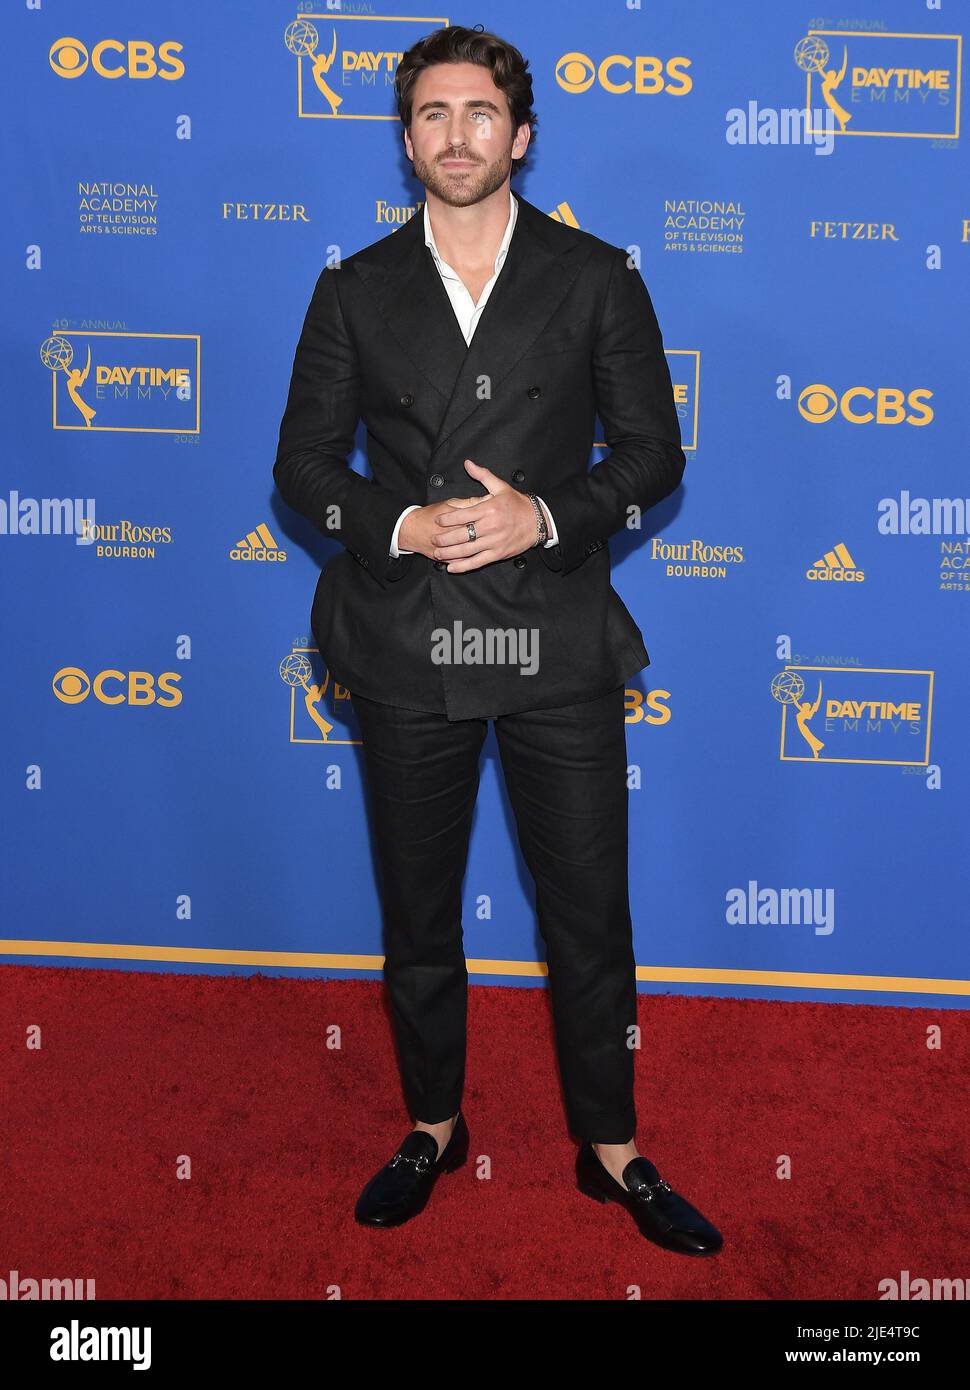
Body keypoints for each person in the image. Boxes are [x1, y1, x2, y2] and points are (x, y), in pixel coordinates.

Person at [273, 25, 722, 1256]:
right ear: (405, 137)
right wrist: (404, 521)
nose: (456, 134)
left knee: (588, 909)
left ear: (519, 137)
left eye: (479, 113)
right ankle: (431, 1124)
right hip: (408, 640)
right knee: (418, 910)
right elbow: (301, 467)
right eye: (431, 114)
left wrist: (545, 511)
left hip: (551, 640)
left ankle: (612, 1148)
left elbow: (652, 457)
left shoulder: (596, 277)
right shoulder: (352, 289)